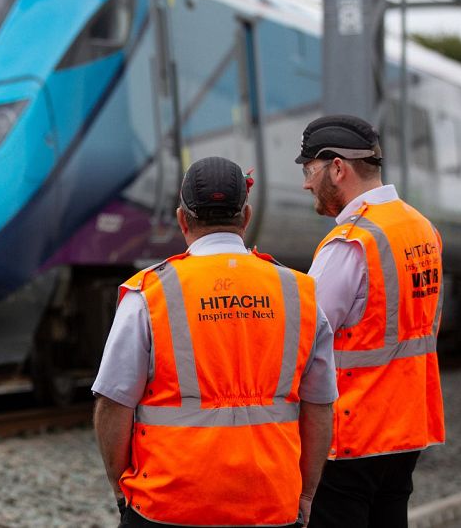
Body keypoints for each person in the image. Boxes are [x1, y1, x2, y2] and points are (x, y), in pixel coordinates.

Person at [93, 156, 337, 528]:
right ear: (247, 215)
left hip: (167, 505)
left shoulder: (149, 294)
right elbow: (320, 406)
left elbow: (113, 403)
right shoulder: (299, 293)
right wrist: (304, 494)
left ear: (182, 219)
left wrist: (120, 487)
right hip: (271, 504)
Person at [295, 115, 445, 528]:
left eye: (310, 170)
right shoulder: (421, 229)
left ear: (337, 168)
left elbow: (302, 339)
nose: (307, 183)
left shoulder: (351, 244)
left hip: (352, 433)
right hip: (407, 427)